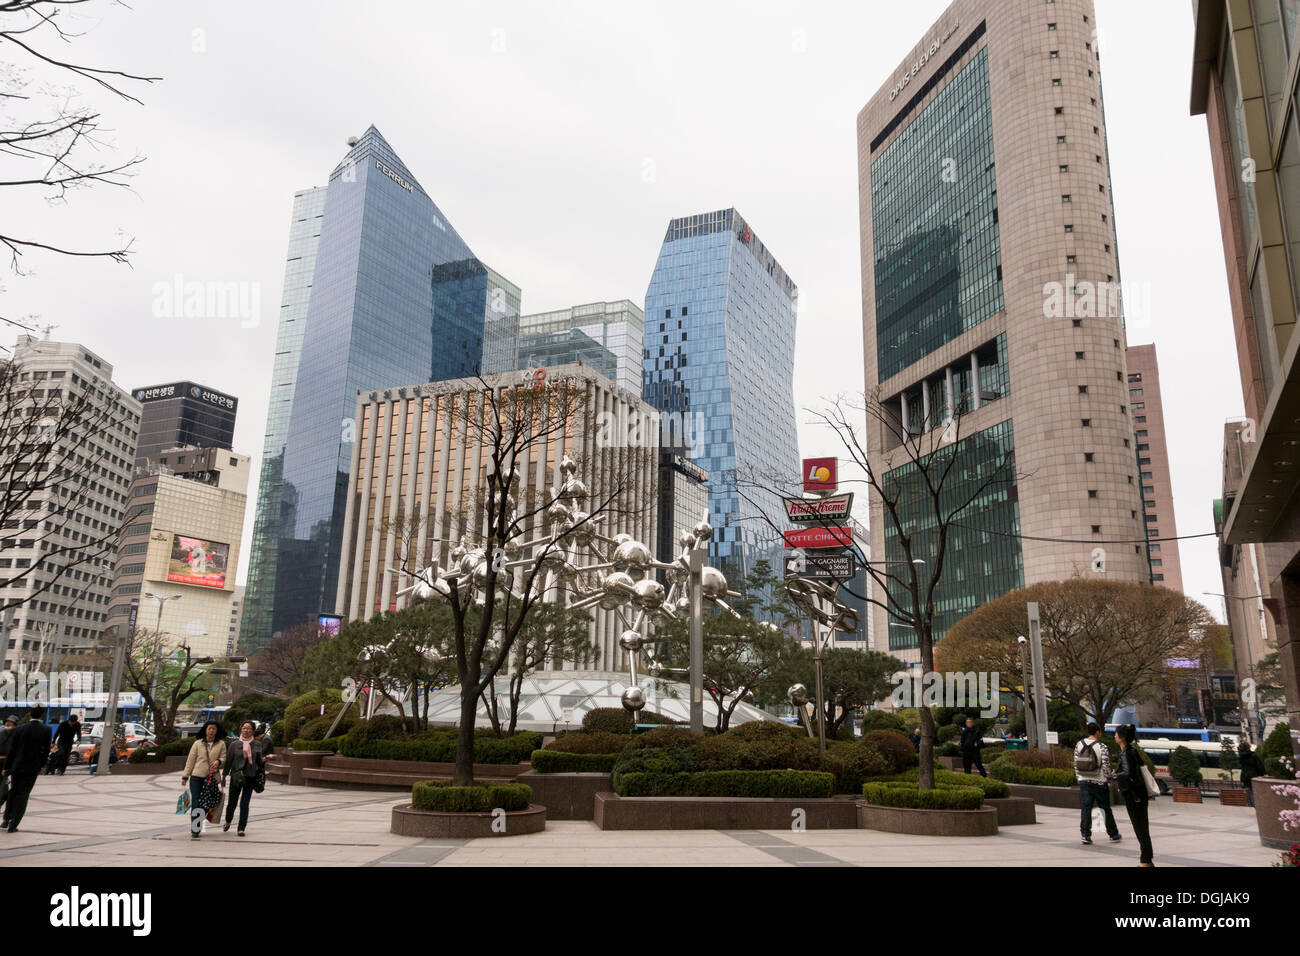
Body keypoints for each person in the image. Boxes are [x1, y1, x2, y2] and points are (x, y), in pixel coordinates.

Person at [1, 707, 53, 832]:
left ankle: (6, 820)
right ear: (42, 716)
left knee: (13, 792)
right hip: (32, 768)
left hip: (17, 766)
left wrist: (6, 767)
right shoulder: (46, 730)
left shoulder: (19, 729)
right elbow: (46, 750)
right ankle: (14, 825)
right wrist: (41, 766)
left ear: (30, 714)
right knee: (23, 795)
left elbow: (12, 750)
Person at [1114, 724, 1154, 866]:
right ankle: (1147, 860)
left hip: (1133, 795)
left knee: (1140, 828)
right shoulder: (1132, 751)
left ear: (1122, 737)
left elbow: (1127, 773)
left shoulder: (1126, 753)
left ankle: (1145, 861)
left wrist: (1113, 776)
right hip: (1139, 794)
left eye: (1116, 734)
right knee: (1142, 827)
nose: (1114, 736)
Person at [1075, 722, 1121, 846]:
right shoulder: (1102, 746)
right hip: (1099, 781)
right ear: (1097, 732)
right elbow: (1105, 766)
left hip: (1084, 781)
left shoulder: (1079, 744)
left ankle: (1085, 835)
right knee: (1105, 808)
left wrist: (1080, 778)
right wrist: (1109, 778)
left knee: (1086, 808)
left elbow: (1076, 763)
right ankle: (1113, 834)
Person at [223, 721, 271, 837]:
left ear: (253, 731)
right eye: (244, 728)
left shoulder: (257, 744)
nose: (246, 731)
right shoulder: (234, 744)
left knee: (245, 803)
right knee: (232, 803)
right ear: (241, 730)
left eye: (249, 729)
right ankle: (228, 820)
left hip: (250, 776)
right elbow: (228, 761)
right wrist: (224, 776)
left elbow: (259, 761)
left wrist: (264, 759)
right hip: (236, 776)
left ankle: (241, 828)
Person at [181, 722, 226, 839]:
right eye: (209, 728)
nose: (211, 731)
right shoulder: (197, 743)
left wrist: (219, 761)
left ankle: (198, 822)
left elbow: (224, 757)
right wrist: (185, 776)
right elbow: (190, 760)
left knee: (208, 803)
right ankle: (195, 829)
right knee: (196, 802)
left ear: (217, 731)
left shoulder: (221, 744)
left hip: (212, 778)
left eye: (214, 729)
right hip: (197, 777)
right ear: (205, 730)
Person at [1238, 740, 1266, 807]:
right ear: (1249, 747)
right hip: (1254, 775)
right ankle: (1259, 804)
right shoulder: (1253, 755)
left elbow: (1242, 767)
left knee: (1251, 791)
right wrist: (1263, 774)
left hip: (1246, 777)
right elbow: (1259, 766)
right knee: (1257, 791)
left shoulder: (1241, 757)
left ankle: (1254, 805)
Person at [0, 714, 17, 814]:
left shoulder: (16, 735)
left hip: (7, 765)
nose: (8, 723)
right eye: (7, 722)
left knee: (4, 792)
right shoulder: (1, 733)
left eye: (11, 722)